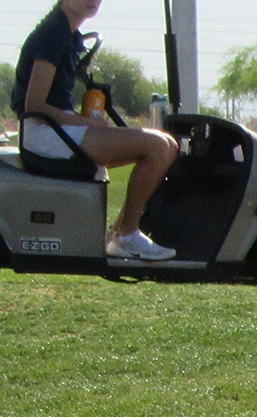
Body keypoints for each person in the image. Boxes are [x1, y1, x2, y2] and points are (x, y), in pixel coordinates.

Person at [11, 0, 177, 260]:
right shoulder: (52, 34)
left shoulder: (69, 35)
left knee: (166, 145)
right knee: (157, 146)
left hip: (58, 128)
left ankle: (122, 233)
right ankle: (127, 235)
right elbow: (35, 106)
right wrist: (84, 123)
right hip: (44, 132)